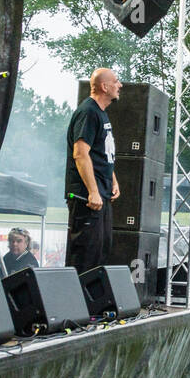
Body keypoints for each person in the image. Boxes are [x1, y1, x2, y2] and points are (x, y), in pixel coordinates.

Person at [65, 67, 122, 274]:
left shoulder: (101, 113)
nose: (120, 85)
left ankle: (92, 303)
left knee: (100, 250)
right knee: (85, 255)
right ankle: (76, 303)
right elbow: (80, 153)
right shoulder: (88, 111)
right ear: (104, 87)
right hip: (87, 197)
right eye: (116, 81)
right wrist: (93, 191)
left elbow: (102, 153)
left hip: (102, 193)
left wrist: (113, 180)